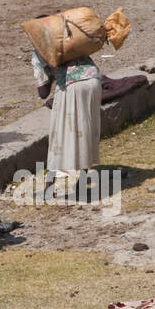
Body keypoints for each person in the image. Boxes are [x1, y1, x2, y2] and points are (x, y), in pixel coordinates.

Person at [33, 44, 102, 201]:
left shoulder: (39, 49)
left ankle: (49, 188)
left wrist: (50, 73)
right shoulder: (68, 38)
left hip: (71, 86)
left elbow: (43, 93)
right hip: (93, 80)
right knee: (87, 131)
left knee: (59, 136)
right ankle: (82, 181)